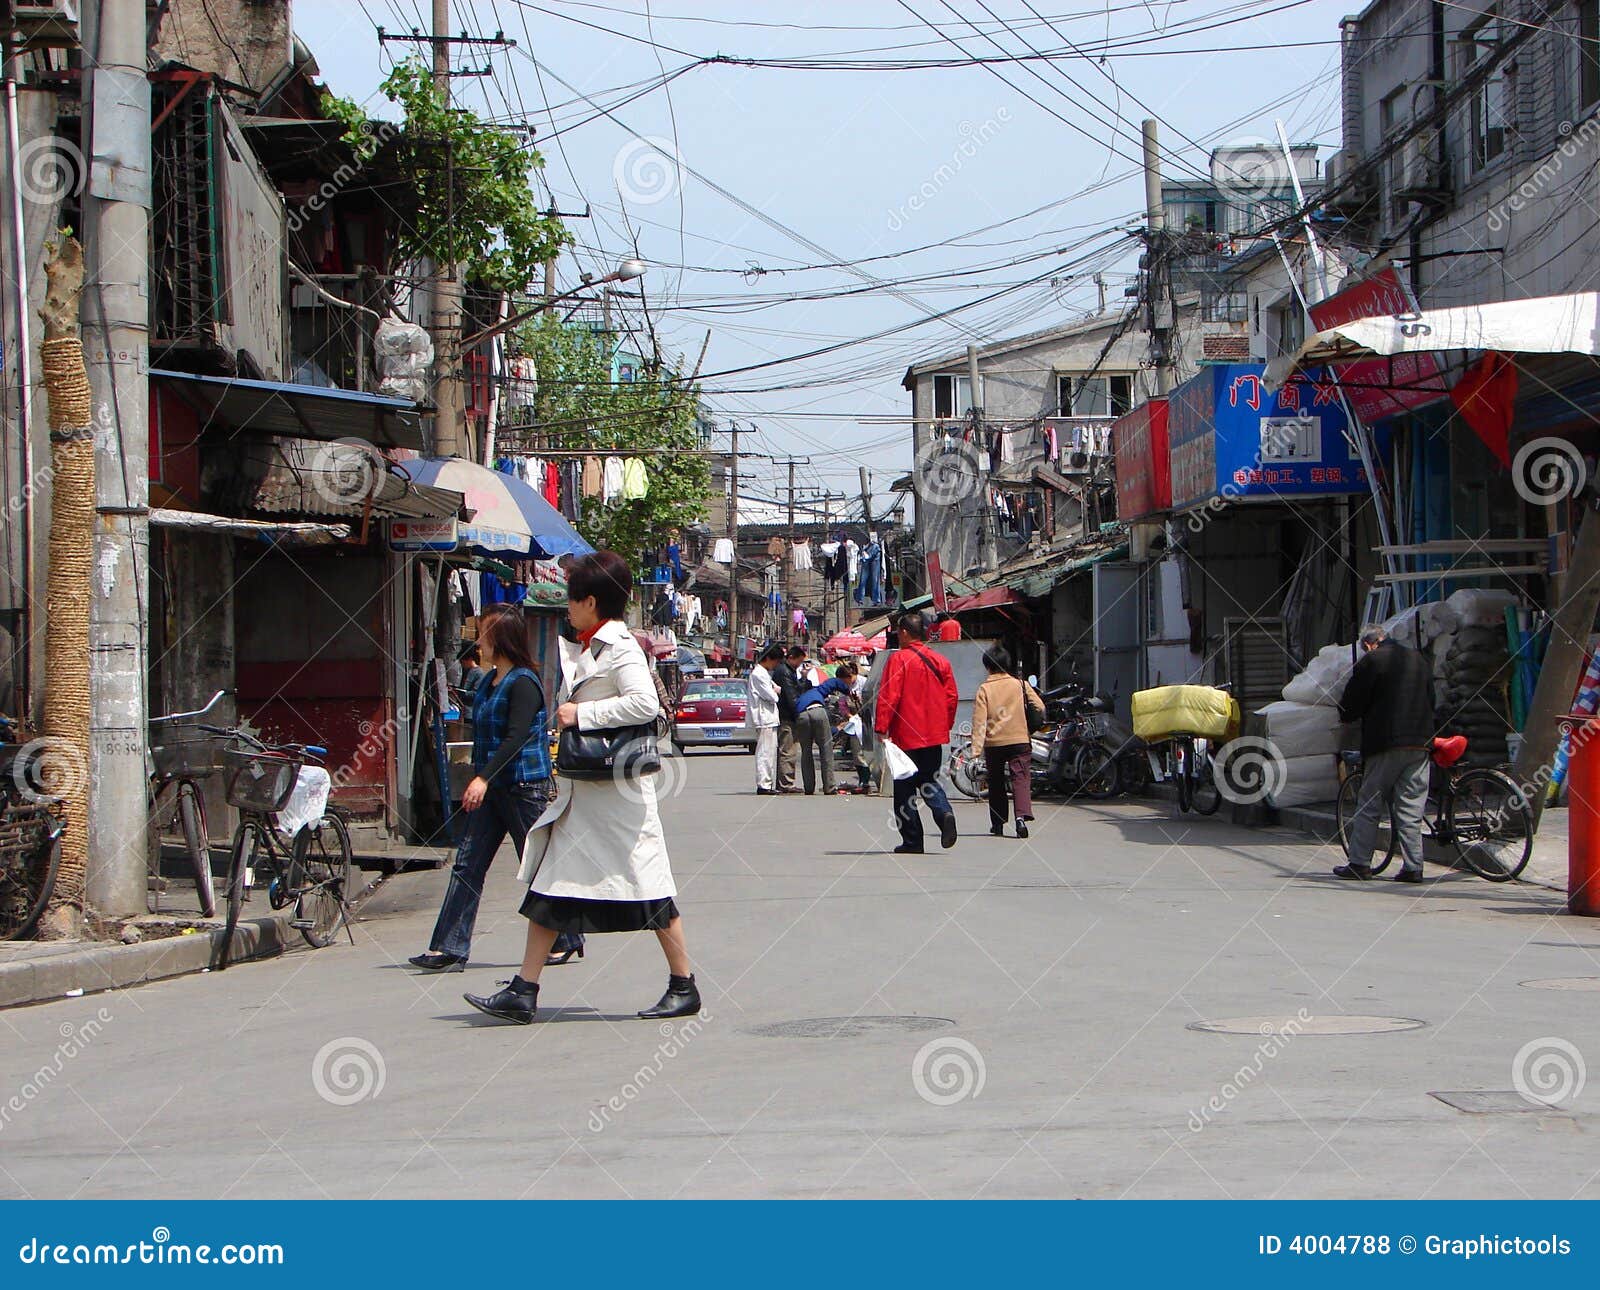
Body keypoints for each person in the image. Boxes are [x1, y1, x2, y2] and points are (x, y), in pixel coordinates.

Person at [465, 551, 698, 1025]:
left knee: (650, 890)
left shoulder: (622, 647)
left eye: (572, 599)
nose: (566, 609)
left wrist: (581, 715)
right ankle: (524, 990)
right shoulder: (592, 644)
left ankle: (683, 985)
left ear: (591, 601)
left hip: (617, 800)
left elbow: (644, 705)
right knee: (552, 885)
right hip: (587, 796)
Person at [410, 607, 583, 973]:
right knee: (468, 864)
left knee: (536, 864)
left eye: (485, 634)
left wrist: (482, 778)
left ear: (501, 638)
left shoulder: (523, 682)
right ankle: (449, 947)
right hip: (493, 789)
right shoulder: (488, 682)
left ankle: (566, 936)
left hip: (522, 787)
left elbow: (516, 737)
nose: (479, 641)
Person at [1334, 626, 1437, 884]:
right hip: (1420, 742)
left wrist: (1347, 717)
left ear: (1369, 645)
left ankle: (1360, 863)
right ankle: (1414, 867)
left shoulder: (1372, 661)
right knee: (1411, 807)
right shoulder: (1419, 659)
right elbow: (1432, 699)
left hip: (1386, 743)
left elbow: (1352, 702)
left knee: (1370, 803)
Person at [874, 610, 960, 854]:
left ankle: (912, 840)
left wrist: (881, 727)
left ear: (903, 632)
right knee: (928, 780)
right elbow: (951, 697)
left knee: (904, 789)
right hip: (934, 735)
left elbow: (889, 696)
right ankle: (943, 812)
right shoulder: (940, 661)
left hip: (905, 737)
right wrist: (945, 724)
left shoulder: (898, 660)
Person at [971, 647, 1043, 839]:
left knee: (995, 782)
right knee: (1020, 779)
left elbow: (979, 722)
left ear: (988, 667)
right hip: (1020, 740)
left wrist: (976, 750)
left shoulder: (984, 689)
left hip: (994, 743)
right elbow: (1040, 706)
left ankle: (998, 823)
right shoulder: (1021, 685)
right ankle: (1021, 818)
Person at [794, 662, 858, 795]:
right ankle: (829, 787)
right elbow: (834, 682)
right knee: (826, 749)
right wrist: (848, 692)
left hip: (801, 715)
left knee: (806, 752)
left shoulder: (799, 696)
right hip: (817, 710)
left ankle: (809, 788)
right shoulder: (817, 690)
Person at [749, 645, 784, 794]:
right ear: (769, 658)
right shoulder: (759, 674)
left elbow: (776, 689)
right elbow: (773, 696)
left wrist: (775, 689)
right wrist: (774, 691)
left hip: (769, 717)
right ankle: (764, 784)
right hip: (764, 718)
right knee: (765, 752)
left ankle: (767, 783)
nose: (776, 665)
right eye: (776, 661)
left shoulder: (764, 674)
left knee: (770, 753)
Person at [773, 646, 803, 792]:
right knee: (788, 750)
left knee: (787, 749)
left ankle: (784, 782)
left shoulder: (788, 671)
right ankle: (786, 783)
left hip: (786, 715)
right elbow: (791, 697)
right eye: (798, 661)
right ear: (791, 657)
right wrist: (798, 713)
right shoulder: (784, 671)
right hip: (786, 717)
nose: (799, 665)